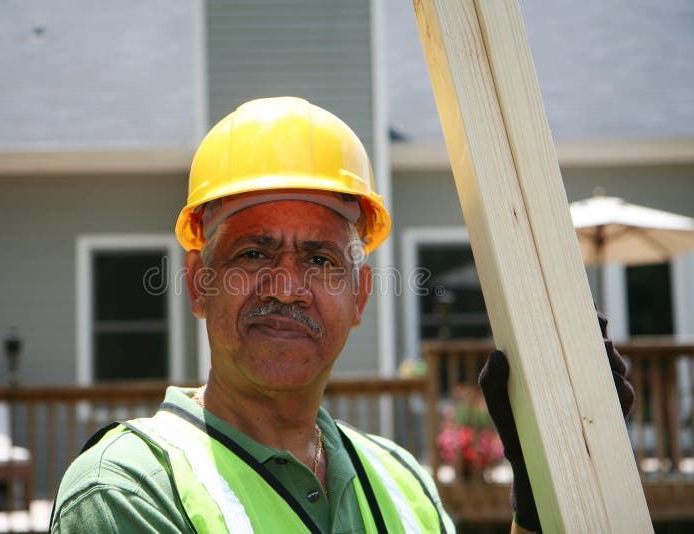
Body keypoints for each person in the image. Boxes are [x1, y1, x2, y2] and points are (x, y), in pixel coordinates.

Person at [50, 97, 633, 533]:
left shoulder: (404, 485)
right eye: (254, 253)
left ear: (360, 296)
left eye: (321, 259)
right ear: (199, 283)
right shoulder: (128, 490)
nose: (287, 287)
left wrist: (542, 497)